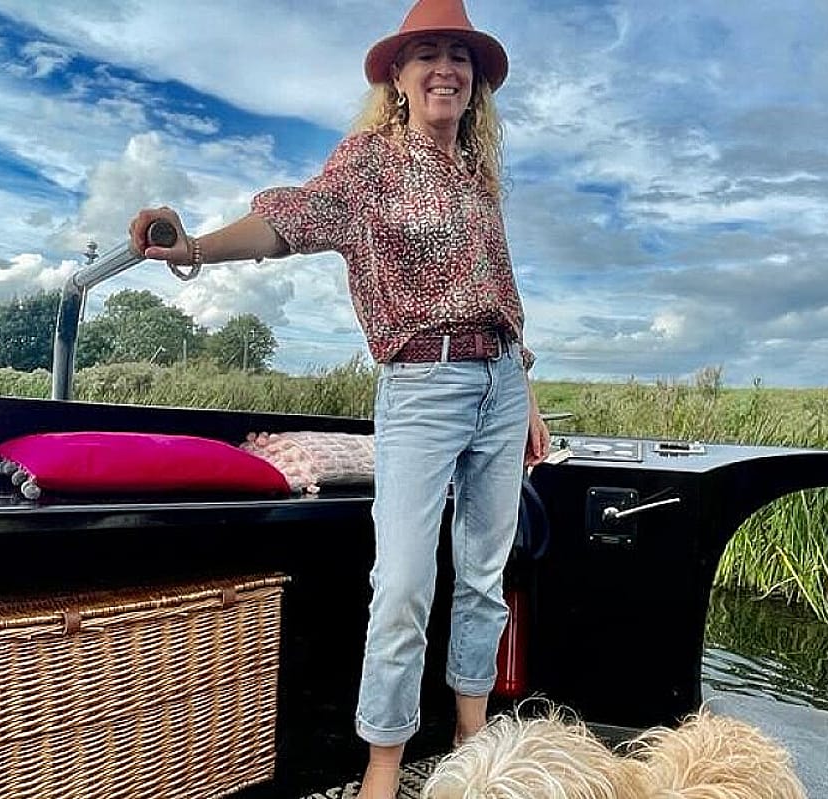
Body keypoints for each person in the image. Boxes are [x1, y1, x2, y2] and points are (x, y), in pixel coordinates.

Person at [127, 1, 549, 796]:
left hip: (499, 381)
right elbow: (287, 220)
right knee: (401, 584)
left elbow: (502, 290)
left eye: (458, 55)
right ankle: (381, 772)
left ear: (475, 81)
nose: (444, 68)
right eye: (426, 53)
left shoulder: (477, 176)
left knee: (484, 575)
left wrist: (526, 389)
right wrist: (193, 250)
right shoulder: (367, 165)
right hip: (422, 382)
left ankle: (472, 750)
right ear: (397, 75)